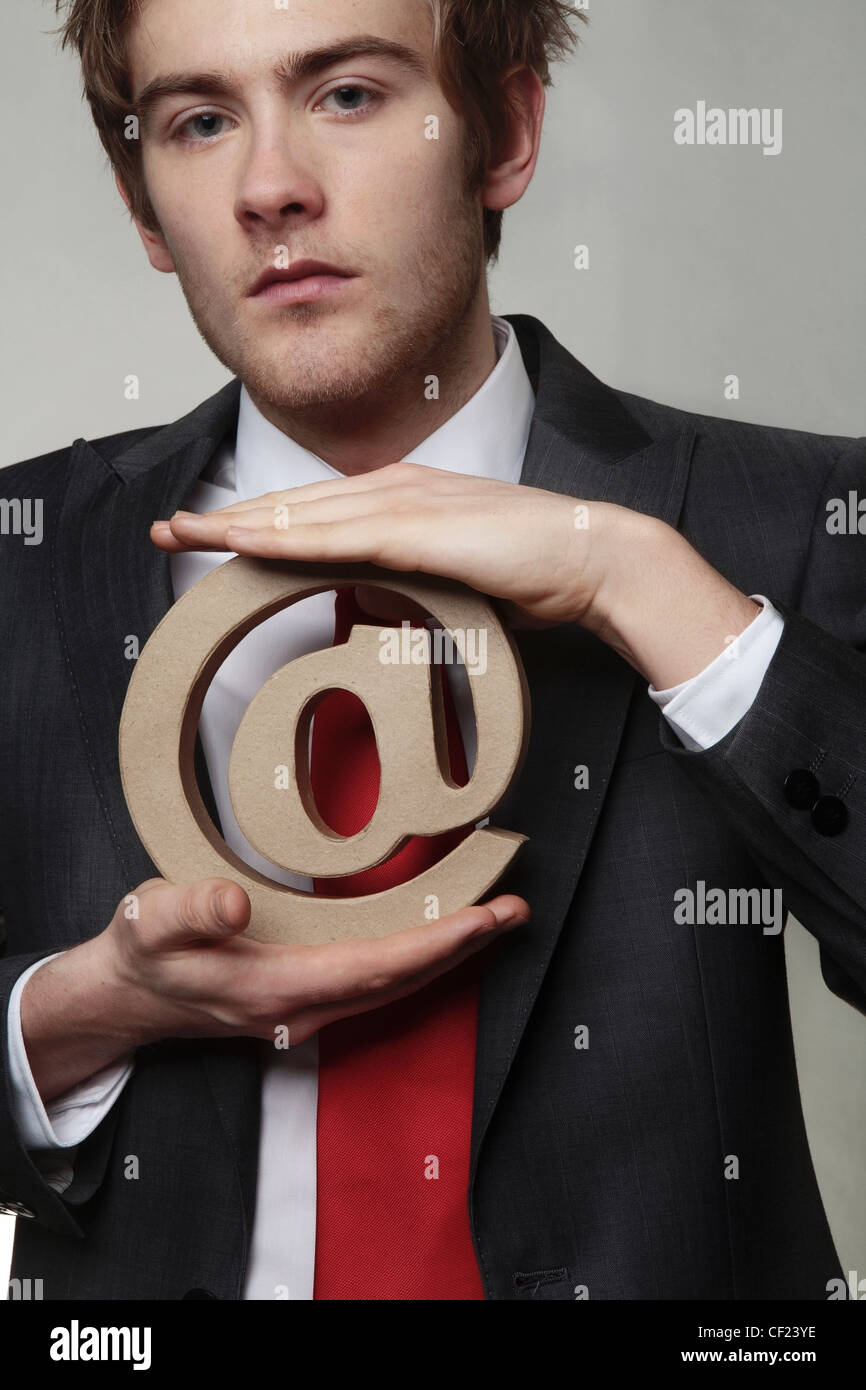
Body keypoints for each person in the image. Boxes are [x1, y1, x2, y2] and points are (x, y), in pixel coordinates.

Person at [0, 0, 863, 1301]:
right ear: (140, 200)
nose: (270, 188)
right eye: (198, 120)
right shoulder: (22, 554)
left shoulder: (783, 515)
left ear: (503, 133)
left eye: (344, 94)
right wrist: (78, 1013)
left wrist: (640, 583)